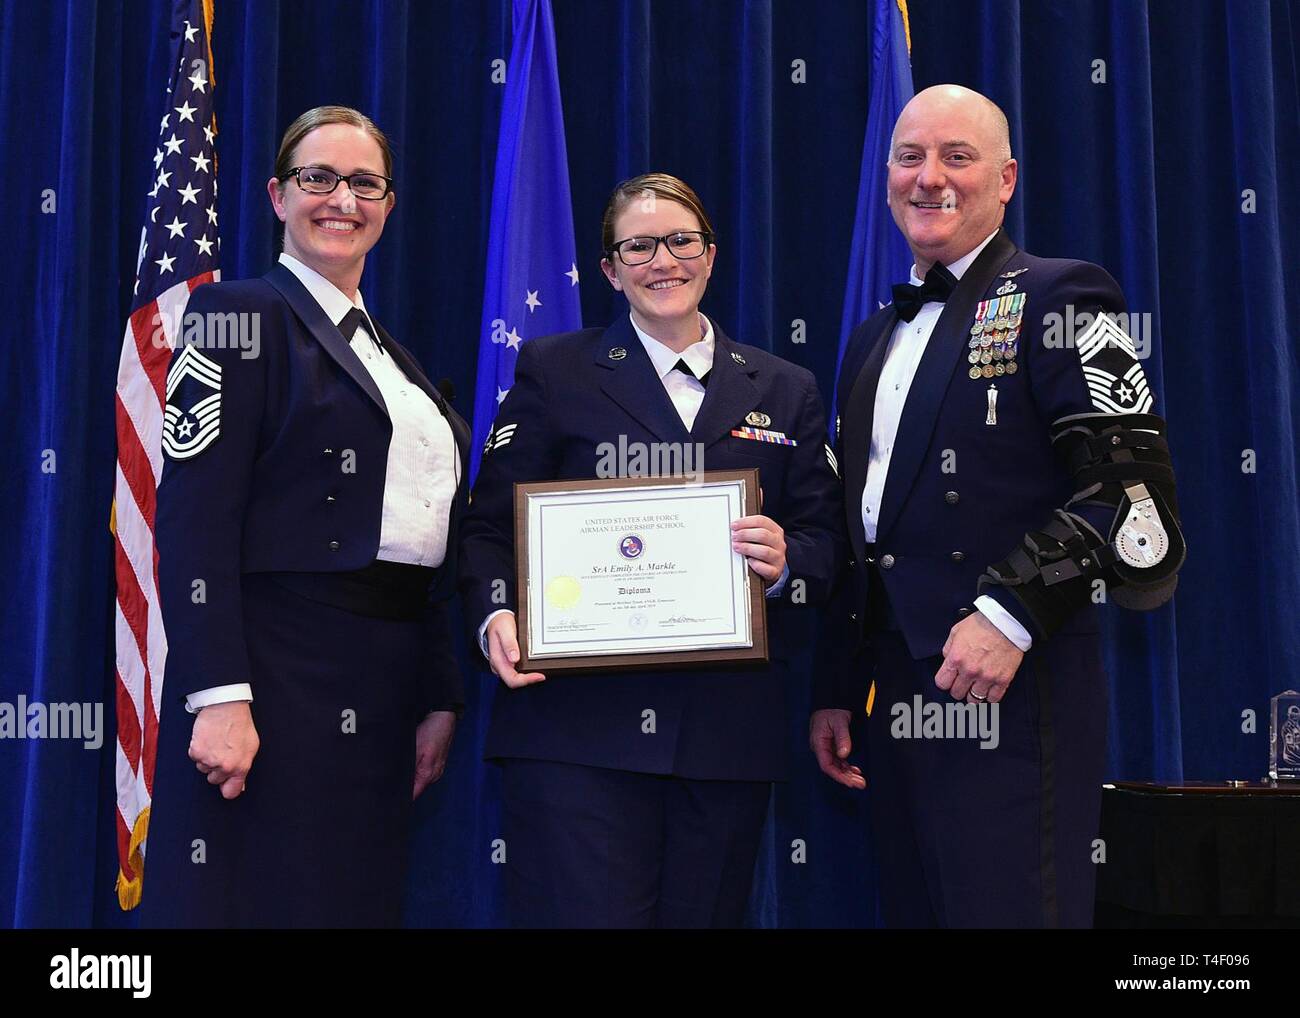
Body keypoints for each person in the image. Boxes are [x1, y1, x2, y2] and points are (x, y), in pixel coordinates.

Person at [810, 85, 1184, 928]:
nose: (928, 177)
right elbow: (861, 526)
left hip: (1012, 686)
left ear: (1006, 178)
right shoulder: (873, 337)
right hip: (894, 695)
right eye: (910, 157)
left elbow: (1131, 496)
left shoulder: (1066, 295)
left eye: (957, 156)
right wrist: (836, 685)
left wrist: (1011, 611)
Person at [460, 173, 842, 928]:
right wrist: (495, 617)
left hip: (724, 740)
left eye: (680, 241)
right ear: (610, 268)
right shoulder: (552, 370)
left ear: (710, 255)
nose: (662, 259)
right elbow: (487, 529)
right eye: (639, 246)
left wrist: (787, 561)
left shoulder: (785, 387)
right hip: (578, 734)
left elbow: (829, 542)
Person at [140, 106, 469, 928]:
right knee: (261, 899)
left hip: (384, 681)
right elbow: (193, 521)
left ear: (389, 206)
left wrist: (438, 692)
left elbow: (425, 535)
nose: (342, 199)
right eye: (319, 178)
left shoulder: (395, 355)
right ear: (277, 195)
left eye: (365, 183)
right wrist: (219, 694)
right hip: (277, 675)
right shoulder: (236, 317)